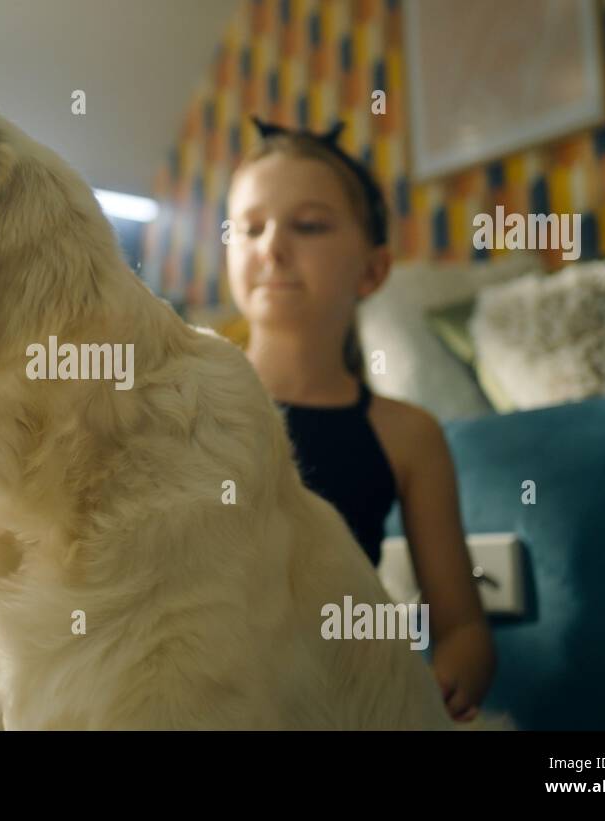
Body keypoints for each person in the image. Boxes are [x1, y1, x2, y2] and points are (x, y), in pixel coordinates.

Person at [224, 117, 495, 720]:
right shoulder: (188, 397)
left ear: (372, 270)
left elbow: (462, 629)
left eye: (309, 225)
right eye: (249, 227)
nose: (271, 246)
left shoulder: (408, 435)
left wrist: (448, 680)